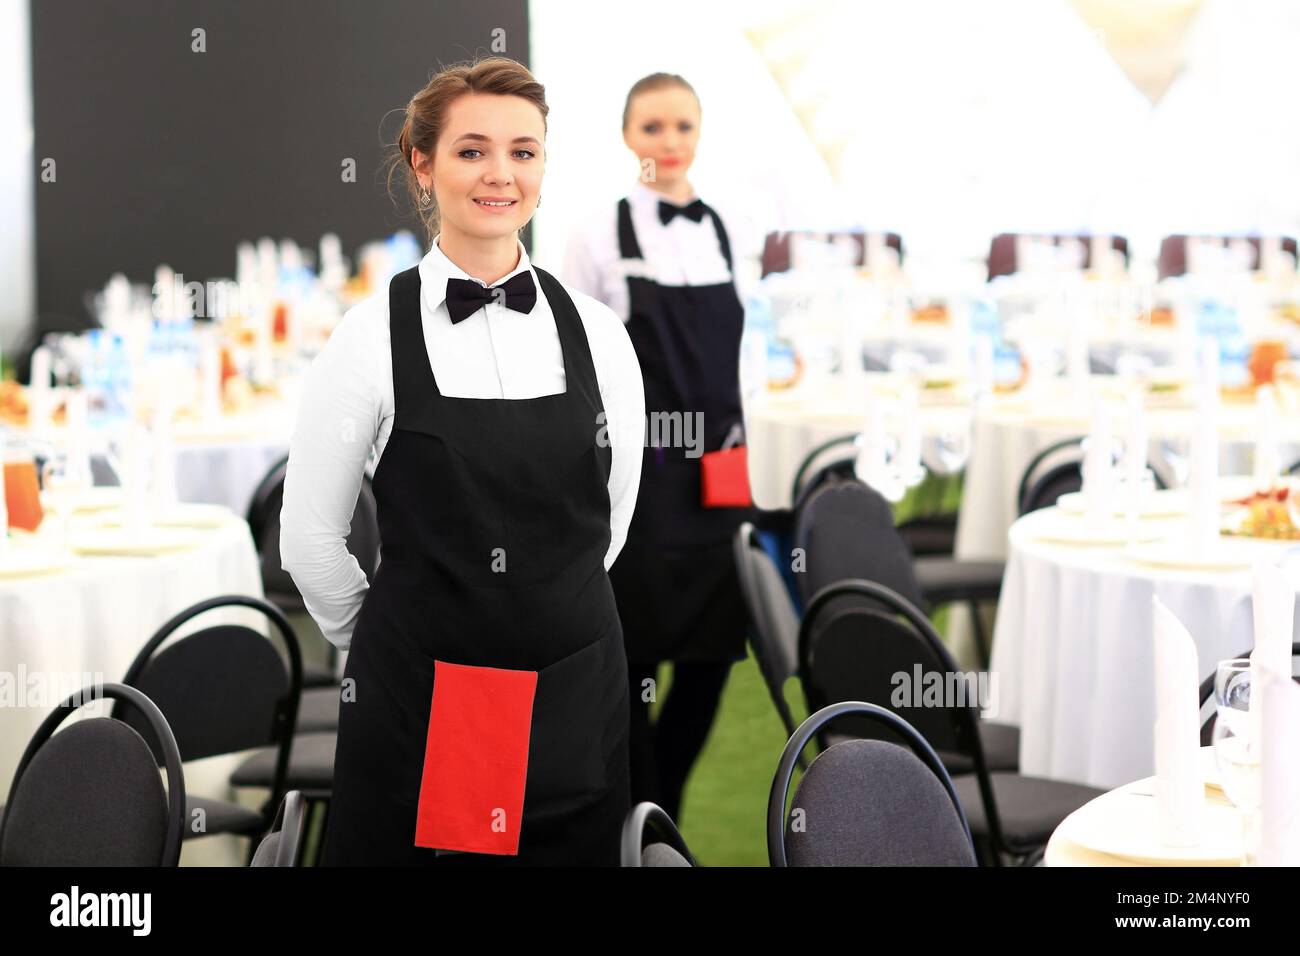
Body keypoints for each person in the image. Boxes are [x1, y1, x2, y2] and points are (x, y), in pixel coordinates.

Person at [280, 56, 645, 865]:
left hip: (575, 689)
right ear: (422, 161)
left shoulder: (600, 334)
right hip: (423, 703)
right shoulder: (366, 337)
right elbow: (308, 542)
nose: (500, 174)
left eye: (524, 151)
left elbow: (611, 521)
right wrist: (398, 646)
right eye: (472, 150)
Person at [562, 72, 760, 823]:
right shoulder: (597, 233)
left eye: (682, 126)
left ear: (699, 133)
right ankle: (644, 821)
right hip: (640, 479)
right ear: (627, 137)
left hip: (723, 468)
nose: (668, 143)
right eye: (652, 128)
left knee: (713, 658)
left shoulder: (730, 228)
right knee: (634, 660)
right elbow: (576, 360)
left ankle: (662, 801)